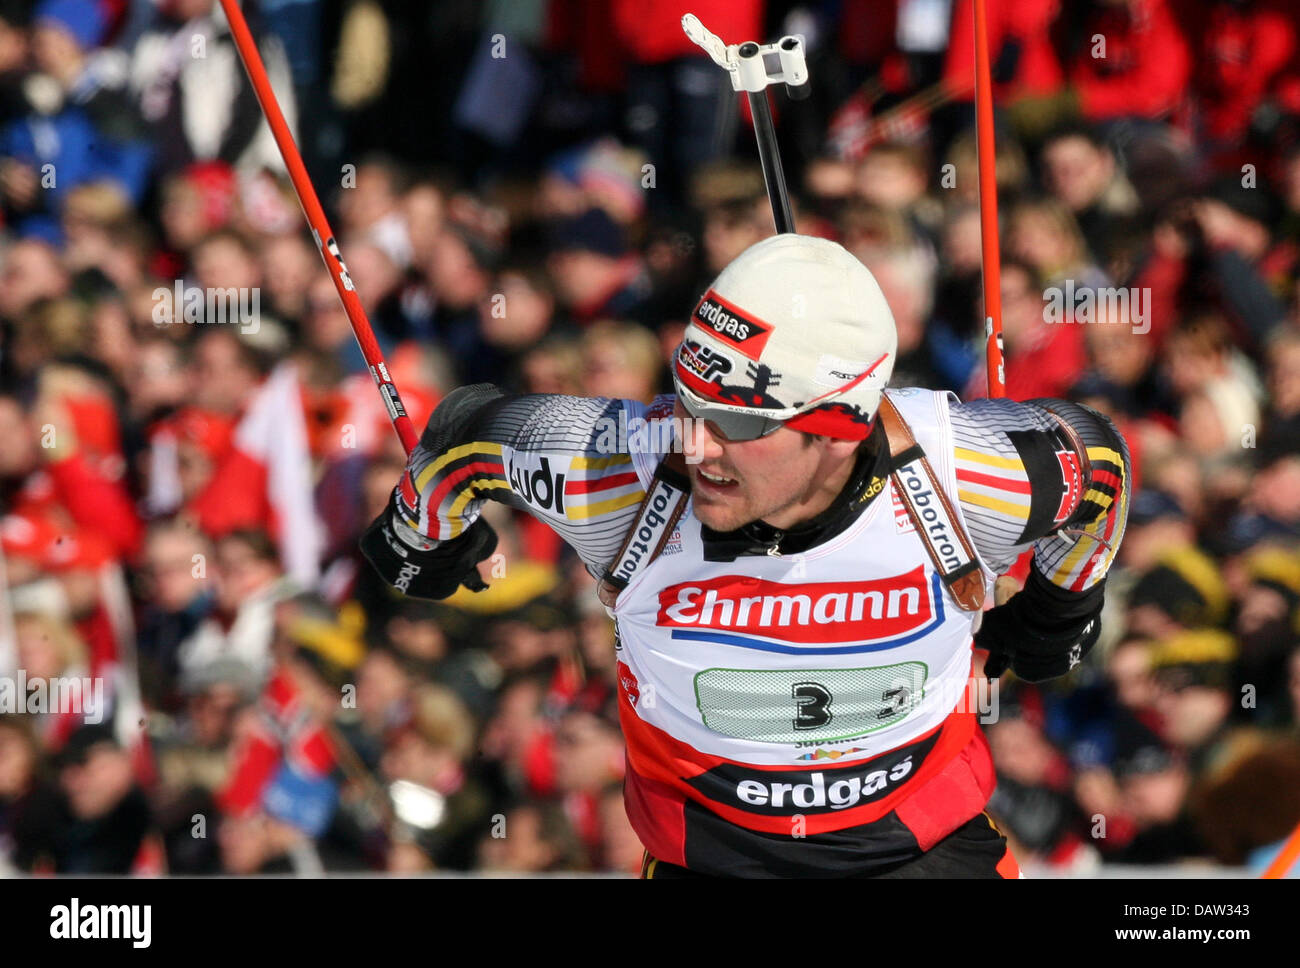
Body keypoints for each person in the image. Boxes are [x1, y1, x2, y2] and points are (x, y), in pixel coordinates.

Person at [358, 234, 1131, 878]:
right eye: (688, 403)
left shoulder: (964, 477)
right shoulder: (621, 472)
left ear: (838, 425)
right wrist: (417, 536)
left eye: (737, 422)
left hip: (921, 855)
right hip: (713, 862)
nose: (695, 445)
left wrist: (1062, 607)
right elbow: (465, 439)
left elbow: (1098, 464)